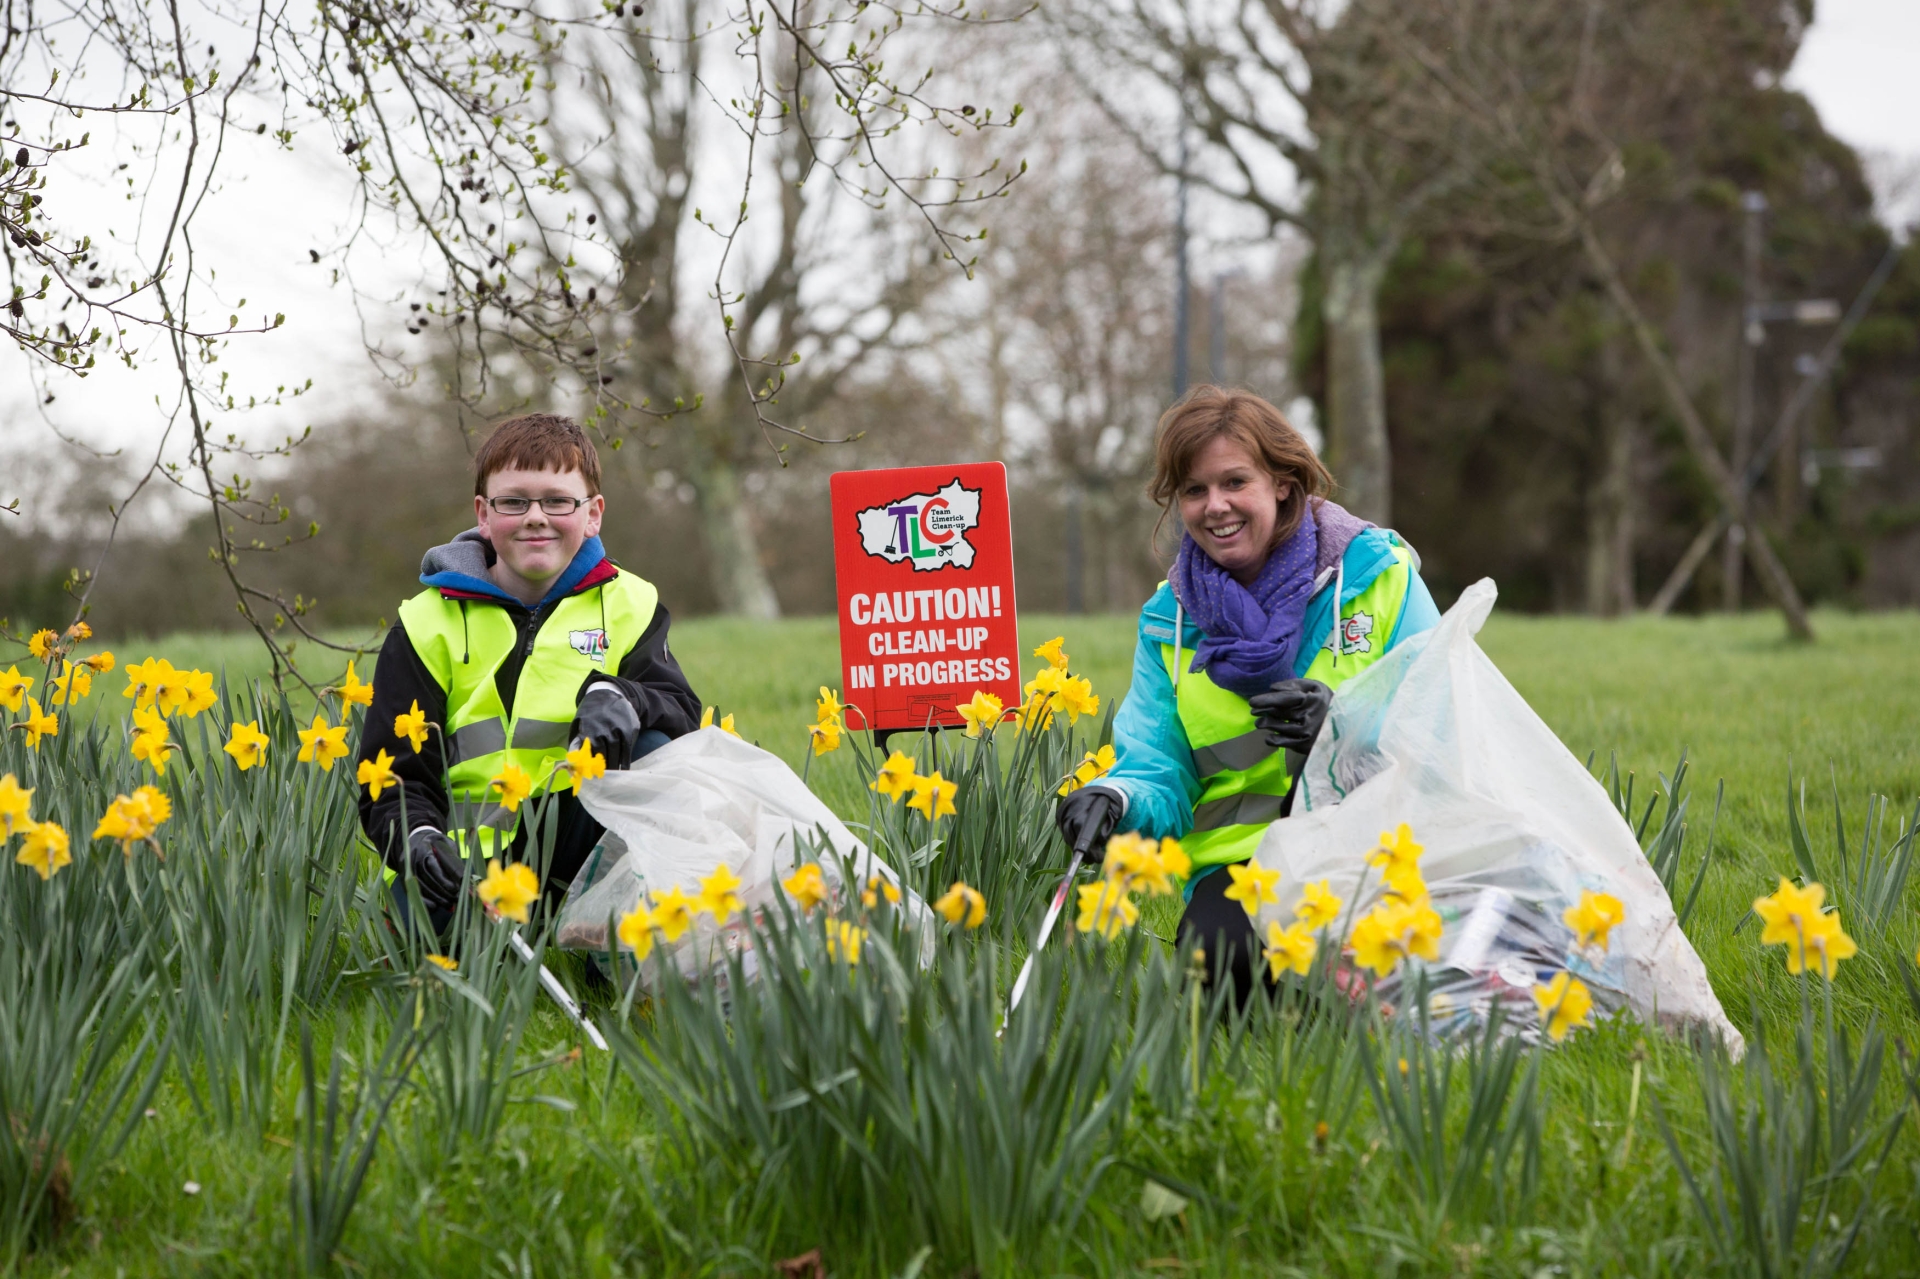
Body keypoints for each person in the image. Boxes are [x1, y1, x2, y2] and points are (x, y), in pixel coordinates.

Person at [1055, 387, 1440, 1001]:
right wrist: (1115, 799)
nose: (1216, 507)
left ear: (1284, 483)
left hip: (1379, 858)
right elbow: (1156, 765)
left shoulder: (1381, 579)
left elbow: (1445, 727)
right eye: (1194, 490)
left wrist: (1340, 729)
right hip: (1244, 873)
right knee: (1214, 974)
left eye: (1235, 481)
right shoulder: (1168, 622)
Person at [357, 413, 703, 934]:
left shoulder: (631, 604)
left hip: (584, 853)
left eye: (558, 501)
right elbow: (393, 778)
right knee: (443, 961)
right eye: (514, 501)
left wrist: (622, 696)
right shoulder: (426, 623)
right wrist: (418, 839)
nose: (535, 517)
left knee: (654, 741)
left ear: (593, 514)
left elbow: (682, 715)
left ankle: (604, 930)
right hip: (468, 864)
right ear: (483, 514)